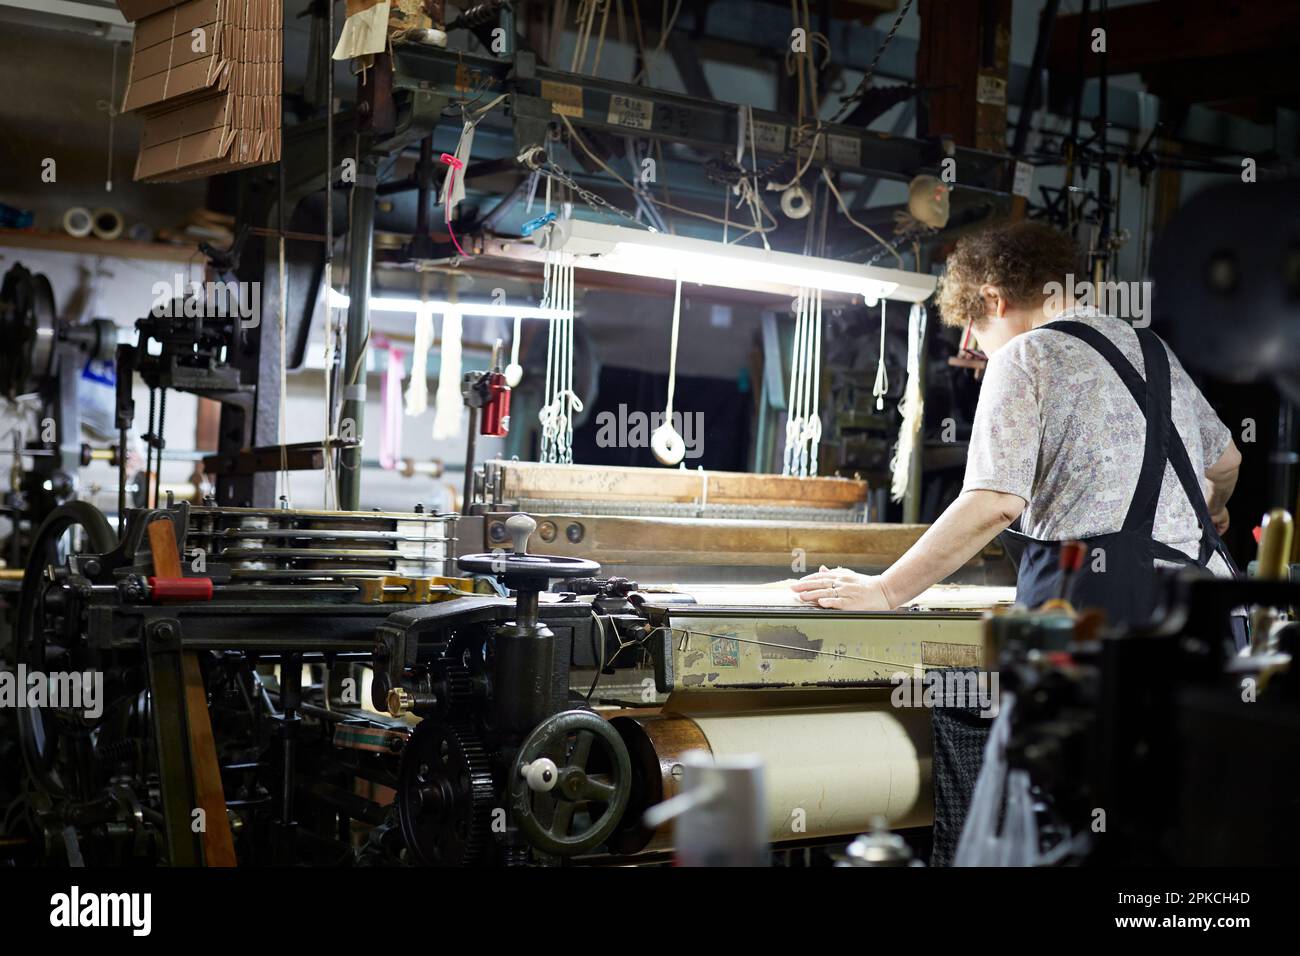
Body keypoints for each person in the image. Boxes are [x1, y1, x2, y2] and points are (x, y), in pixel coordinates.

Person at [793, 220, 1241, 632]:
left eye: (975, 331)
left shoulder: (1026, 354)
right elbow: (1226, 461)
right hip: (1208, 610)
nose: (982, 351)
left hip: (1104, 618)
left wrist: (885, 591)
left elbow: (996, 503)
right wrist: (1214, 508)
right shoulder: (1152, 347)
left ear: (992, 299)